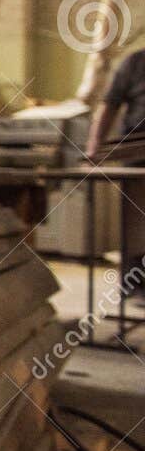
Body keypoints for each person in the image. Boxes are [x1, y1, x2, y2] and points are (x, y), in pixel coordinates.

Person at [85, 45, 145, 293]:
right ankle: (135, 284)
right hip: (136, 156)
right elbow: (110, 105)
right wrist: (94, 146)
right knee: (136, 223)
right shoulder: (135, 63)